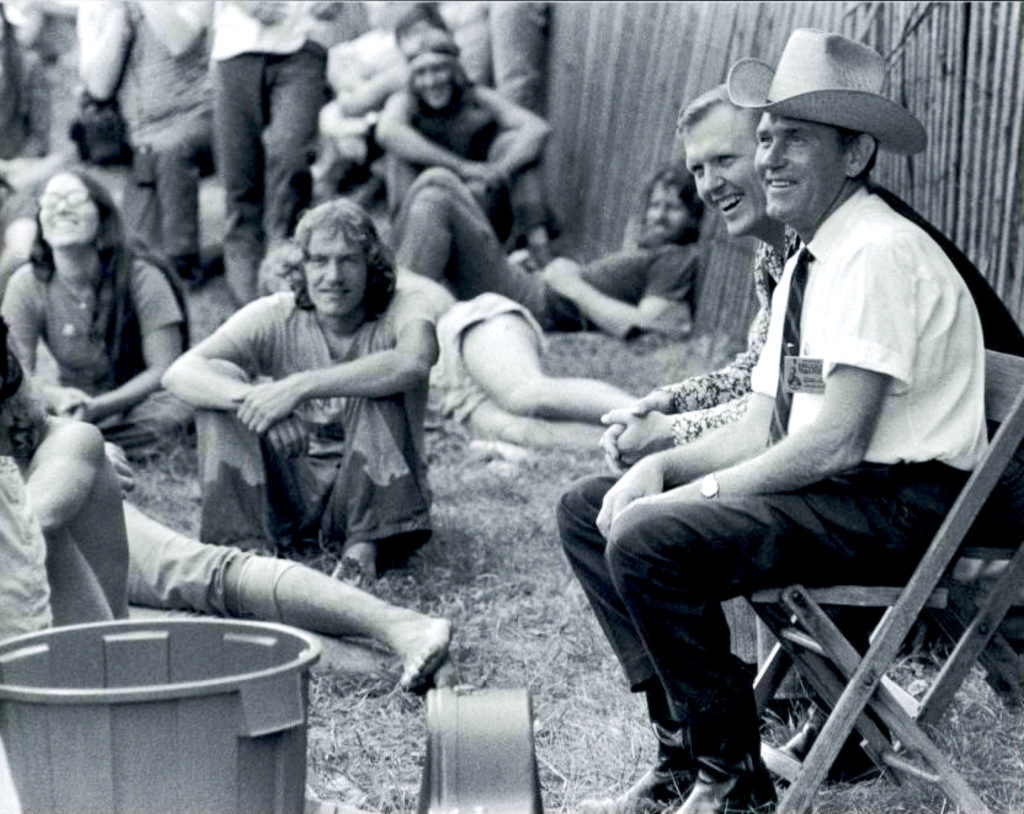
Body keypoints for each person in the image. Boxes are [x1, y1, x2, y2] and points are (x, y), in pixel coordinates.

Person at [559, 29, 989, 814]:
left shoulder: (878, 253)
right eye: (763, 138)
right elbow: (768, 422)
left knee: (655, 539)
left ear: (856, 154)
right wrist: (660, 469)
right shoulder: (809, 259)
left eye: (795, 139)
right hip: (850, 489)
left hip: (907, 504)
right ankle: (687, 755)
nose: (769, 159)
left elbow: (836, 438)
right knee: (592, 508)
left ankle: (732, 782)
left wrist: (696, 495)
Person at [0, 329, 452, 692]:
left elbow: (37, 521)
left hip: (44, 504)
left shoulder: (59, 442)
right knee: (178, 633)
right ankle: (390, 671)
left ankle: (404, 627)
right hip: (60, 603)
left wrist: (88, 460)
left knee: (203, 574)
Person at [163, 198, 436, 585]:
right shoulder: (278, 313)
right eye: (319, 261)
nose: (333, 275)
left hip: (378, 493)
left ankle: (363, 551)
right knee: (219, 382)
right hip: (295, 485)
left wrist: (298, 388)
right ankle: (242, 551)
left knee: (379, 382)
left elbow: (413, 362)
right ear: (302, 266)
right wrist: (258, 404)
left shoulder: (405, 305)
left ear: (371, 265)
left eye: (349, 260)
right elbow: (180, 372)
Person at [393, 159, 703, 341]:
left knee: (437, 201)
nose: (659, 215)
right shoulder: (649, 249)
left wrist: (572, 286)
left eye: (673, 208)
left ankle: (397, 323)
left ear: (693, 219)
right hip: (532, 282)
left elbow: (654, 324)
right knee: (438, 178)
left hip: (536, 303)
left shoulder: (677, 258)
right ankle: (387, 285)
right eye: (656, 205)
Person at [0, 170, 192, 457]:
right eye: (50, 202)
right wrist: (55, 396)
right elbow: (14, 373)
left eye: (74, 199)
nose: (61, 208)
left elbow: (164, 369)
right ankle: (80, 443)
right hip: (71, 407)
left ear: (102, 218)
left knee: (175, 415)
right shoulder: (27, 283)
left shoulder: (141, 274)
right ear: (40, 220)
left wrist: (101, 407)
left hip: (139, 403)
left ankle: (70, 445)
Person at [210, 1, 361, 306]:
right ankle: (251, 309)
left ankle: (290, 272)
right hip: (237, 47)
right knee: (240, 177)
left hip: (302, 43)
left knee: (291, 156)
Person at [375, 11, 554, 264]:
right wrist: (463, 167)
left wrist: (500, 170)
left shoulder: (478, 97)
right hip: (424, 218)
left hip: (482, 208)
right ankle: (407, 258)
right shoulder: (403, 102)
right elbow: (387, 132)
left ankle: (540, 251)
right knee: (397, 155)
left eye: (439, 70)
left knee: (513, 143)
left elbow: (536, 128)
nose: (431, 81)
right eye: (422, 72)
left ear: (455, 71)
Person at [77, 1, 214, 287]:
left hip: (196, 120)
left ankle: (184, 264)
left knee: (171, 148)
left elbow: (179, 41)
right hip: (138, 138)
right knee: (136, 253)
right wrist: (117, 20)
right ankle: (183, 259)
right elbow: (99, 87)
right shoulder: (98, 7)